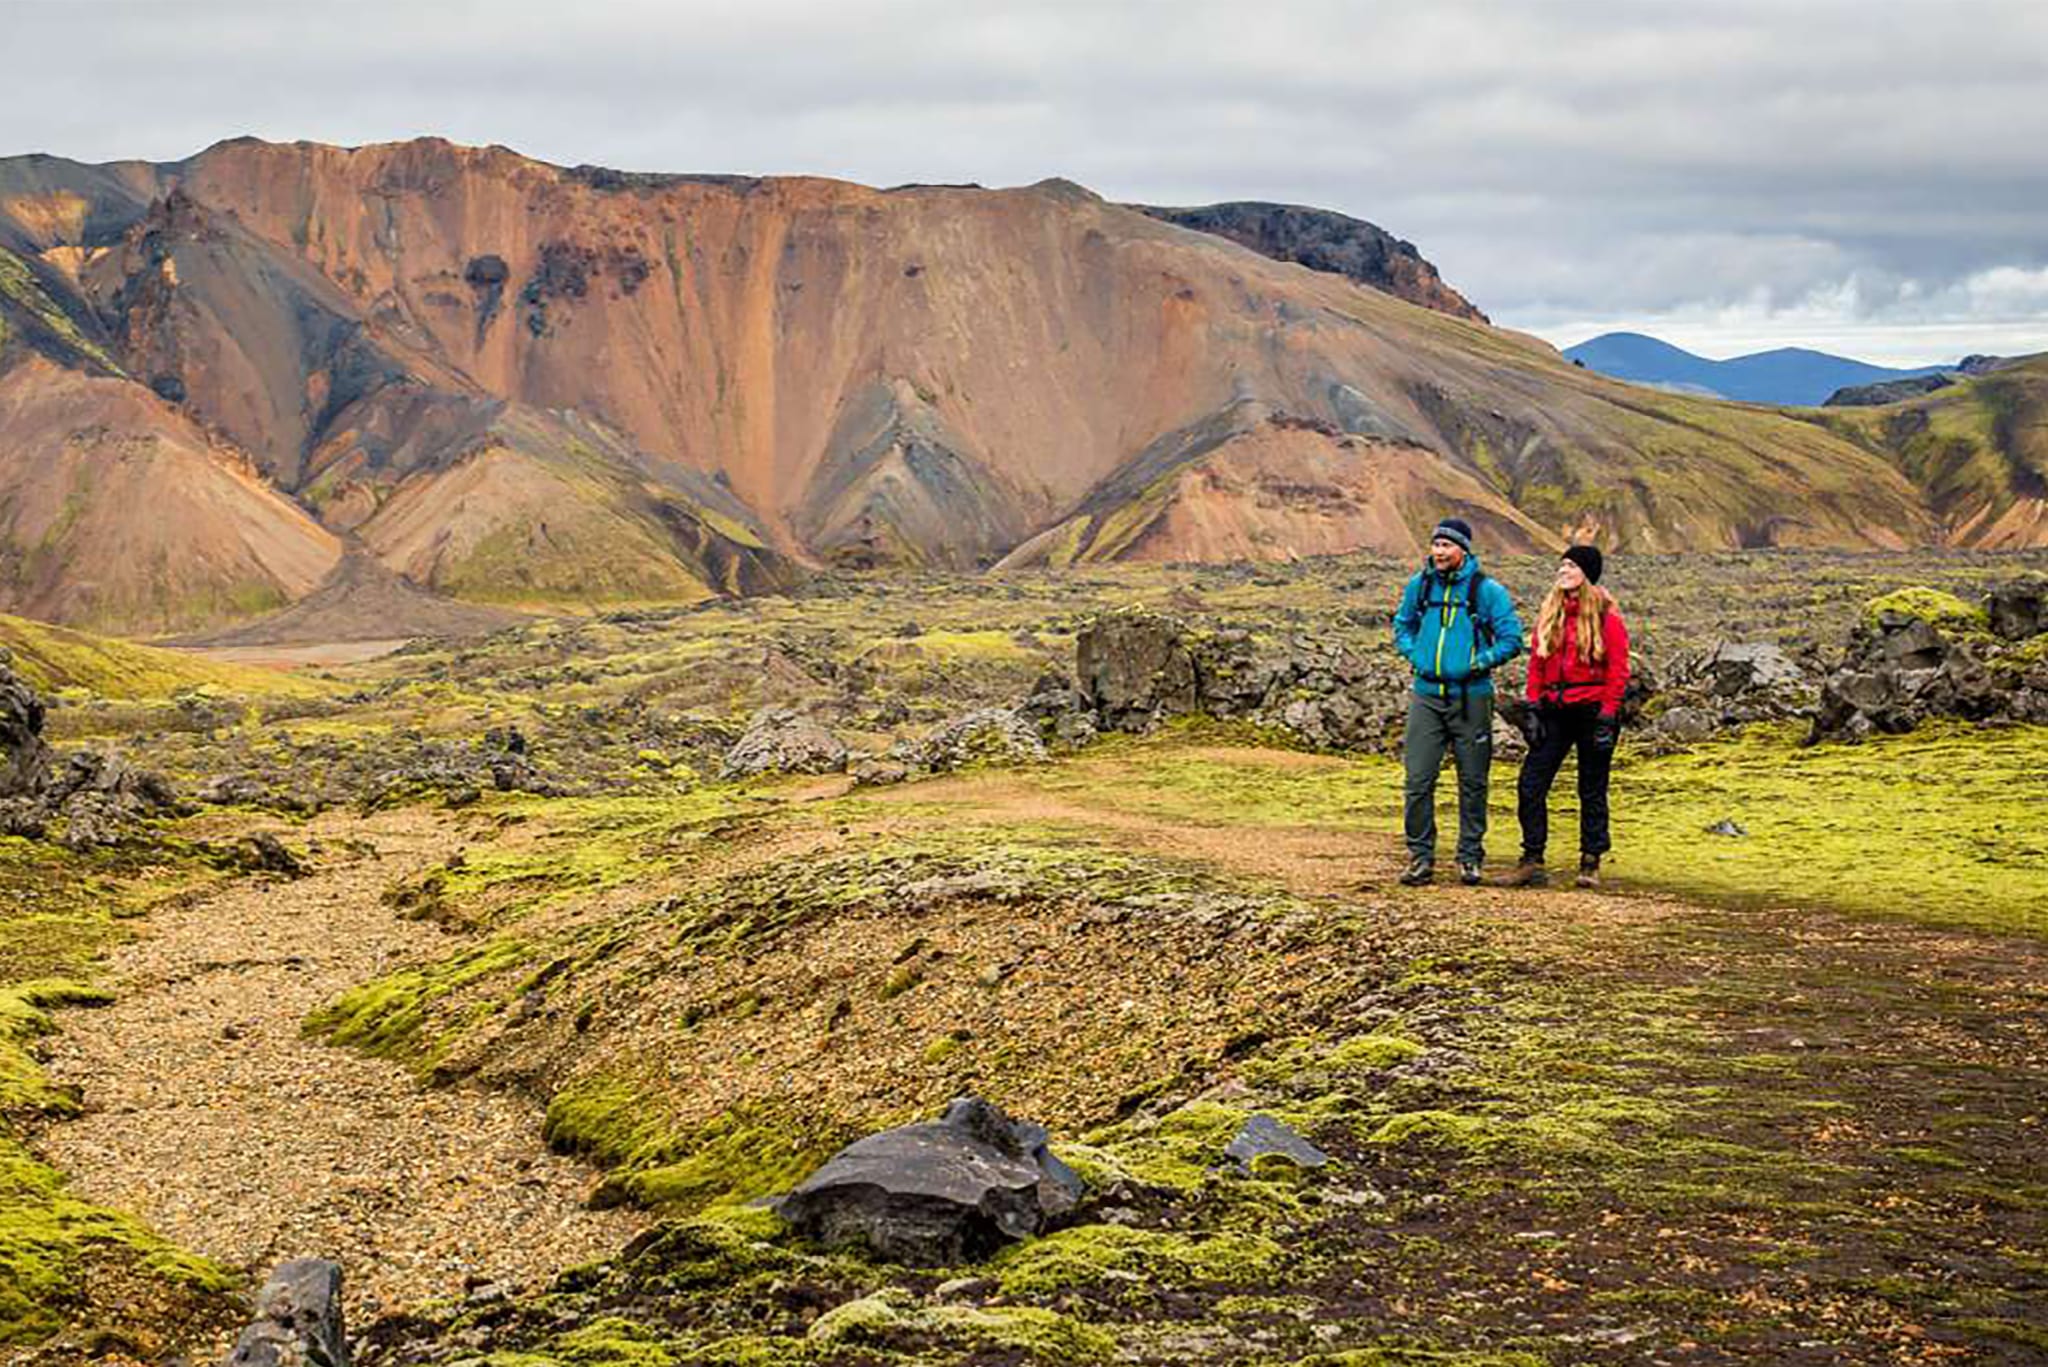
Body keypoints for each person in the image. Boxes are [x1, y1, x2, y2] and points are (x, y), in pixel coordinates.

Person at [1392, 517, 1525, 886]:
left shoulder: (1488, 591)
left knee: (1473, 781)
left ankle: (1470, 857)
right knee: (1418, 780)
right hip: (1427, 696)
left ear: (1463, 550)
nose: (1438, 552)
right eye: (1435, 544)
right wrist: (1414, 655)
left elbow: (1512, 638)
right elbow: (1402, 624)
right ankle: (1420, 857)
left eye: (1446, 546)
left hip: (1472, 699)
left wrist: (1477, 663)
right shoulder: (1419, 586)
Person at [1504, 544, 1631, 889]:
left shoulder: (1607, 617)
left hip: (1593, 711)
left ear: (1586, 573)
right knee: (1531, 783)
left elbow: (1618, 670)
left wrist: (1607, 716)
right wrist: (1532, 707)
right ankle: (1532, 860)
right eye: (1561, 565)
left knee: (1591, 787)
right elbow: (1536, 664)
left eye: (1570, 566)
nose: (1562, 571)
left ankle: (1591, 861)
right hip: (1554, 710)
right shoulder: (1550, 613)